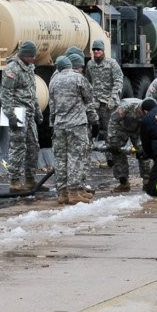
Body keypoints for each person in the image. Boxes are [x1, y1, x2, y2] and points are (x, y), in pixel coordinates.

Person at [48, 55, 98, 205]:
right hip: (76, 125)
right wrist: (94, 121)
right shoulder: (78, 78)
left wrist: (52, 124)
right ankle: (74, 192)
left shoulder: (53, 81)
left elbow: (52, 106)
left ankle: (62, 193)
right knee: (76, 157)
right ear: (70, 65)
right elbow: (89, 100)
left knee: (61, 159)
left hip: (59, 126)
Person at [1, 40, 43, 193]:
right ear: (23, 55)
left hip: (30, 112)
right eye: (30, 56)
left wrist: (37, 111)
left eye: (33, 56)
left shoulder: (30, 67)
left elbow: (32, 92)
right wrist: (10, 115)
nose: (33, 58)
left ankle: (30, 179)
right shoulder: (12, 69)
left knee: (33, 146)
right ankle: (14, 181)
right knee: (18, 146)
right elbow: (5, 94)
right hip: (17, 112)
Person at [106, 97, 152, 192]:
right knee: (117, 150)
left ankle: (147, 181)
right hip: (121, 127)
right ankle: (123, 182)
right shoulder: (126, 107)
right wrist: (112, 140)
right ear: (140, 109)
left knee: (144, 151)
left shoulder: (151, 111)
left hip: (139, 129)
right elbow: (113, 121)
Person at [84, 39, 123, 141]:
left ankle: (111, 153)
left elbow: (118, 82)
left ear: (103, 50)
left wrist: (113, 98)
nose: (96, 51)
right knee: (91, 128)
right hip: (95, 103)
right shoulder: (90, 64)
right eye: (94, 49)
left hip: (108, 104)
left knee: (110, 130)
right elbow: (87, 82)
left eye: (98, 49)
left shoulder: (112, 64)